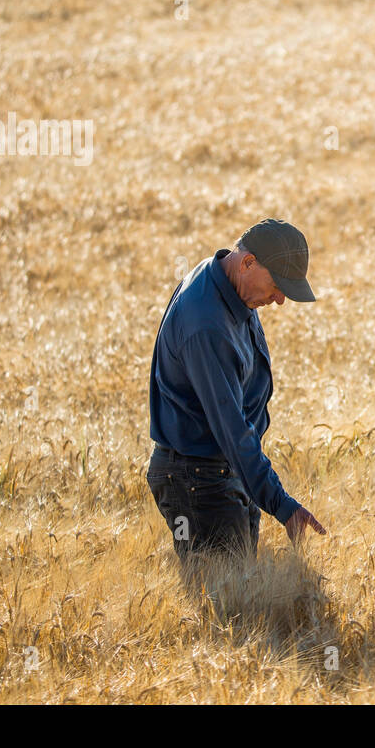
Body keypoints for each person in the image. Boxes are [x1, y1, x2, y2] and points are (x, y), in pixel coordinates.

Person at [146, 218, 326, 568]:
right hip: (198, 484)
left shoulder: (226, 283)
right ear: (247, 262)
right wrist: (281, 504)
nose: (279, 300)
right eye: (277, 286)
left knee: (241, 593)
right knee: (227, 609)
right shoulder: (206, 324)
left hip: (224, 472)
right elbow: (232, 430)